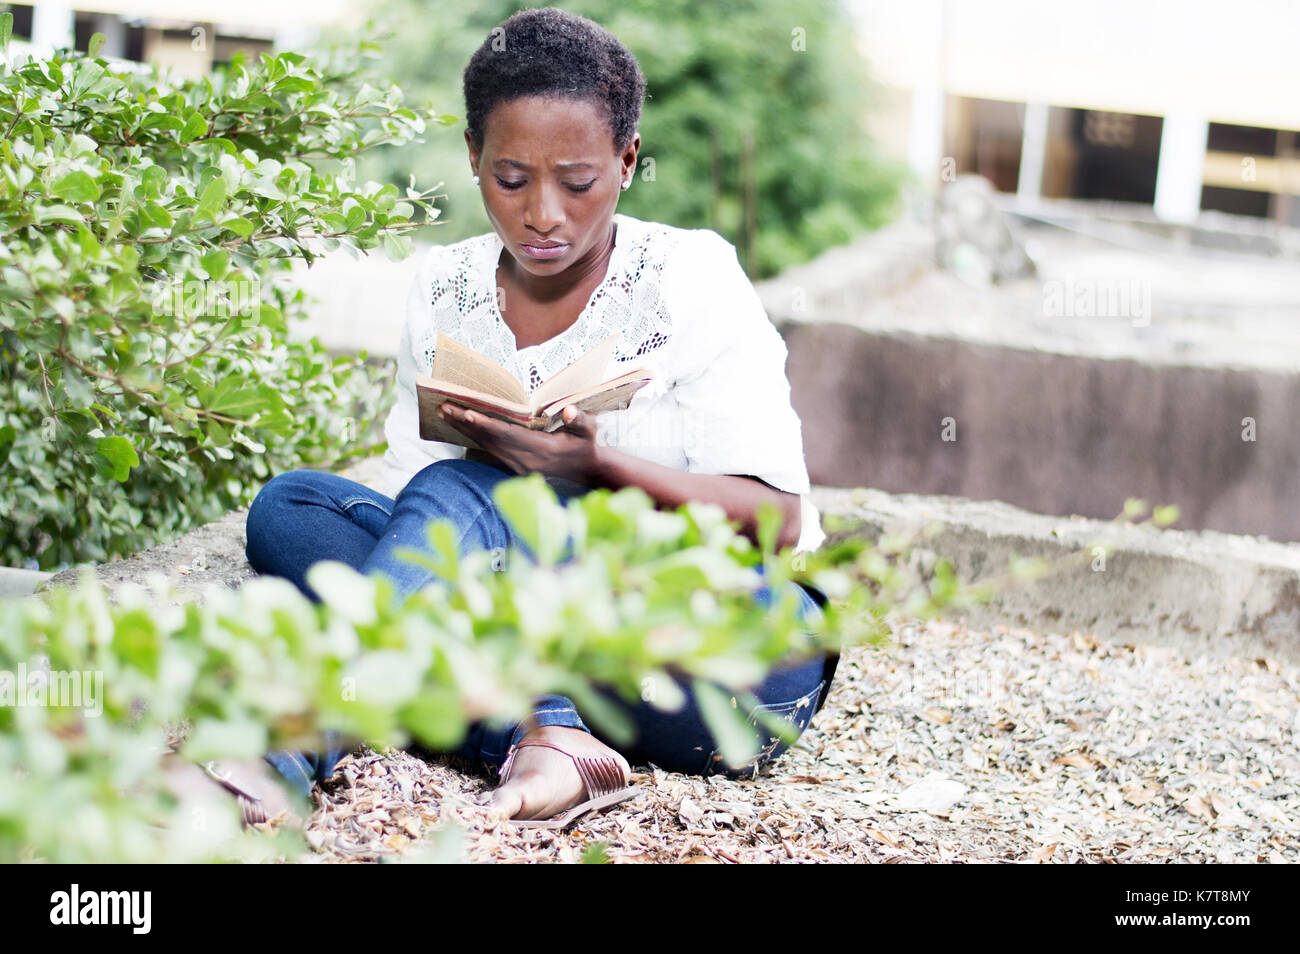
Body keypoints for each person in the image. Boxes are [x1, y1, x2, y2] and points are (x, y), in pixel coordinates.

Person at [236, 6, 837, 827]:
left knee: (467, 497)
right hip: (548, 633)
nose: (543, 213)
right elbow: (423, 531)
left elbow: (776, 522)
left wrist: (593, 470)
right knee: (293, 510)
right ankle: (549, 731)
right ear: (473, 159)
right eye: (510, 180)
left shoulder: (692, 278)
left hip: (723, 654)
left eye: (577, 181)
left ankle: (294, 742)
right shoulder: (446, 287)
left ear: (627, 162)